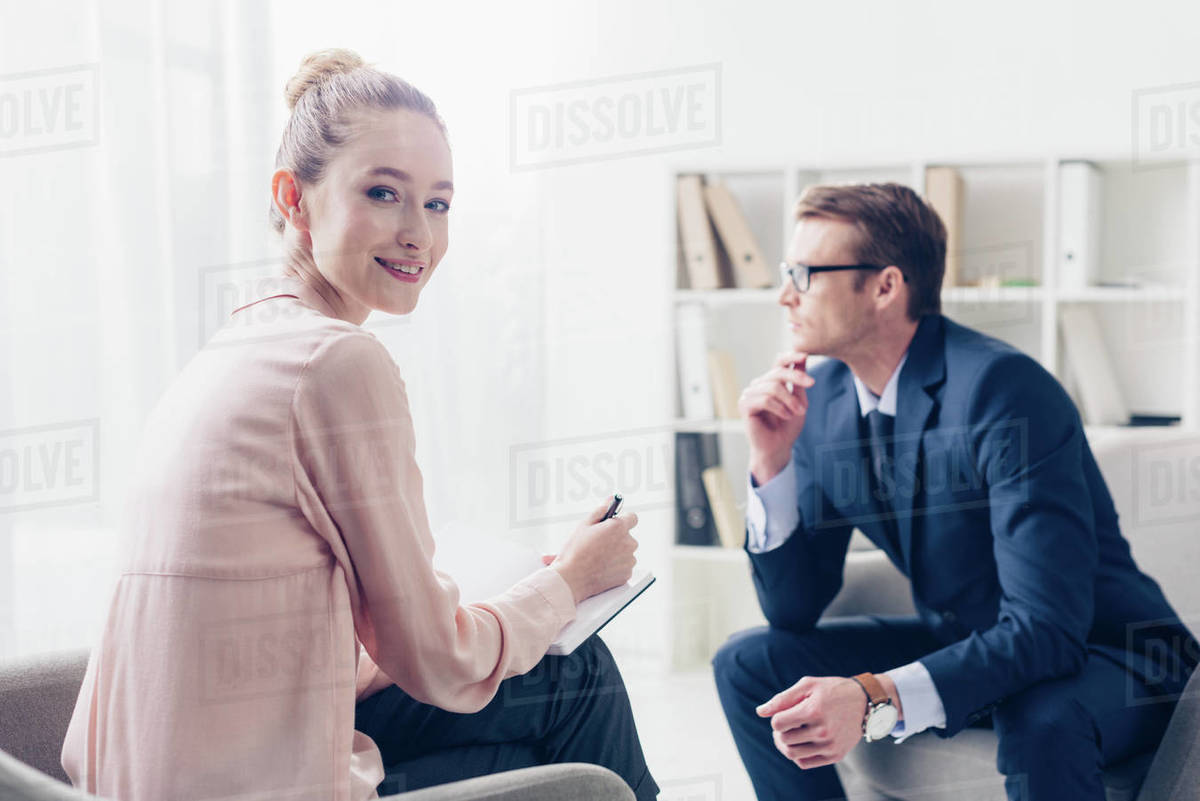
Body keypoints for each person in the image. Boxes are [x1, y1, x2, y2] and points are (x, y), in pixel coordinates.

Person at [61, 49, 658, 801]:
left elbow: (301, 635)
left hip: (157, 774)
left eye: (438, 204)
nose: (418, 234)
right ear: (294, 198)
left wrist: (525, 594)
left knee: (553, 686)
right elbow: (437, 660)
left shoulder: (239, 344)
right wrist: (569, 583)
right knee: (576, 679)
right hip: (255, 782)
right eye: (384, 193)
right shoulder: (335, 362)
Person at [711, 181, 1199, 801]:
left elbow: (1048, 628)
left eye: (805, 274)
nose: (785, 295)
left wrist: (874, 696)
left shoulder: (1002, 390)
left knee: (1042, 719)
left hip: (1107, 652)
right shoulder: (823, 399)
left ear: (886, 286)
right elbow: (793, 610)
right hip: (967, 638)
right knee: (748, 663)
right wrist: (771, 462)